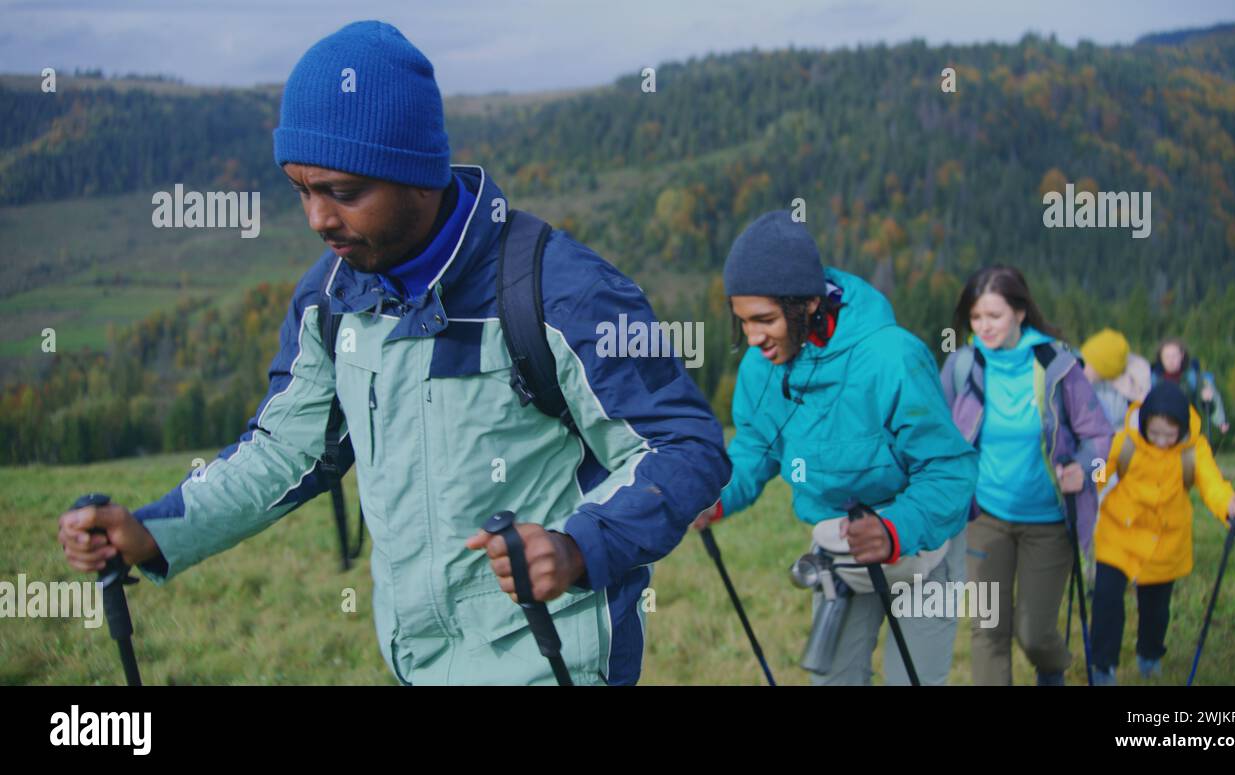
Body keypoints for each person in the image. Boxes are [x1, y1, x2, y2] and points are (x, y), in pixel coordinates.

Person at [56, 20, 729, 685]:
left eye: (342, 192)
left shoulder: (561, 290)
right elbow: (283, 453)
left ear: (419, 177)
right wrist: (153, 534)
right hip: (416, 666)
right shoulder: (328, 301)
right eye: (302, 191)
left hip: (557, 663)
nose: (318, 219)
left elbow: (685, 447)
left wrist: (578, 546)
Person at [694, 210, 978, 686]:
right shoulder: (761, 370)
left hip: (922, 547)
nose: (753, 337)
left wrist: (893, 529)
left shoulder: (893, 358)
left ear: (806, 304)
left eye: (764, 320)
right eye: (742, 321)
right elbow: (755, 450)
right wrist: (714, 496)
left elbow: (948, 470)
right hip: (839, 557)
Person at [940, 265, 1113, 685]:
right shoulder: (963, 366)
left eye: (993, 316)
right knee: (988, 631)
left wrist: (1086, 471)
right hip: (983, 519)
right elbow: (937, 432)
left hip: (1050, 522)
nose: (983, 327)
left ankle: (1053, 667)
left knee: (1034, 633)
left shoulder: (1058, 364)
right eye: (976, 318)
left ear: (1020, 312)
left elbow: (1101, 436)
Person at [1089, 381, 1235, 684]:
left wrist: (1232, 505)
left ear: (1181, 429)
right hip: (1119, 532)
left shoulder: (1194, 449)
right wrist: (1086, 480)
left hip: (1165, 541)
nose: (1162, 441)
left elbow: (1212, 484)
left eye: (1169, 435)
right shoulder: (1126, 440)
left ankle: (1149, 658)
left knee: (1155, 610)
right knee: (1106, 599)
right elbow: (1101, 465)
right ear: (1146, 422)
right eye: (1155, 434)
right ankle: (1102, 667)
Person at [1153, 337, 1229, 438]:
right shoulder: (1152, 380)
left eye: (1174, 356)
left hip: (1188, 430)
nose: (1171, 361)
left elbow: (1213, 399)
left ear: (1182, 356)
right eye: (1166, 357)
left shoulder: (1193, 378)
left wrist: (1220, 421)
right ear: (1161, 358)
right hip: (1160, 432)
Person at [1080, 327, 1151, 432]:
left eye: (1089, 364)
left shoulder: (1131, 389)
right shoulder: (1082, 377)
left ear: (1104, 370)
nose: (1083, 368)